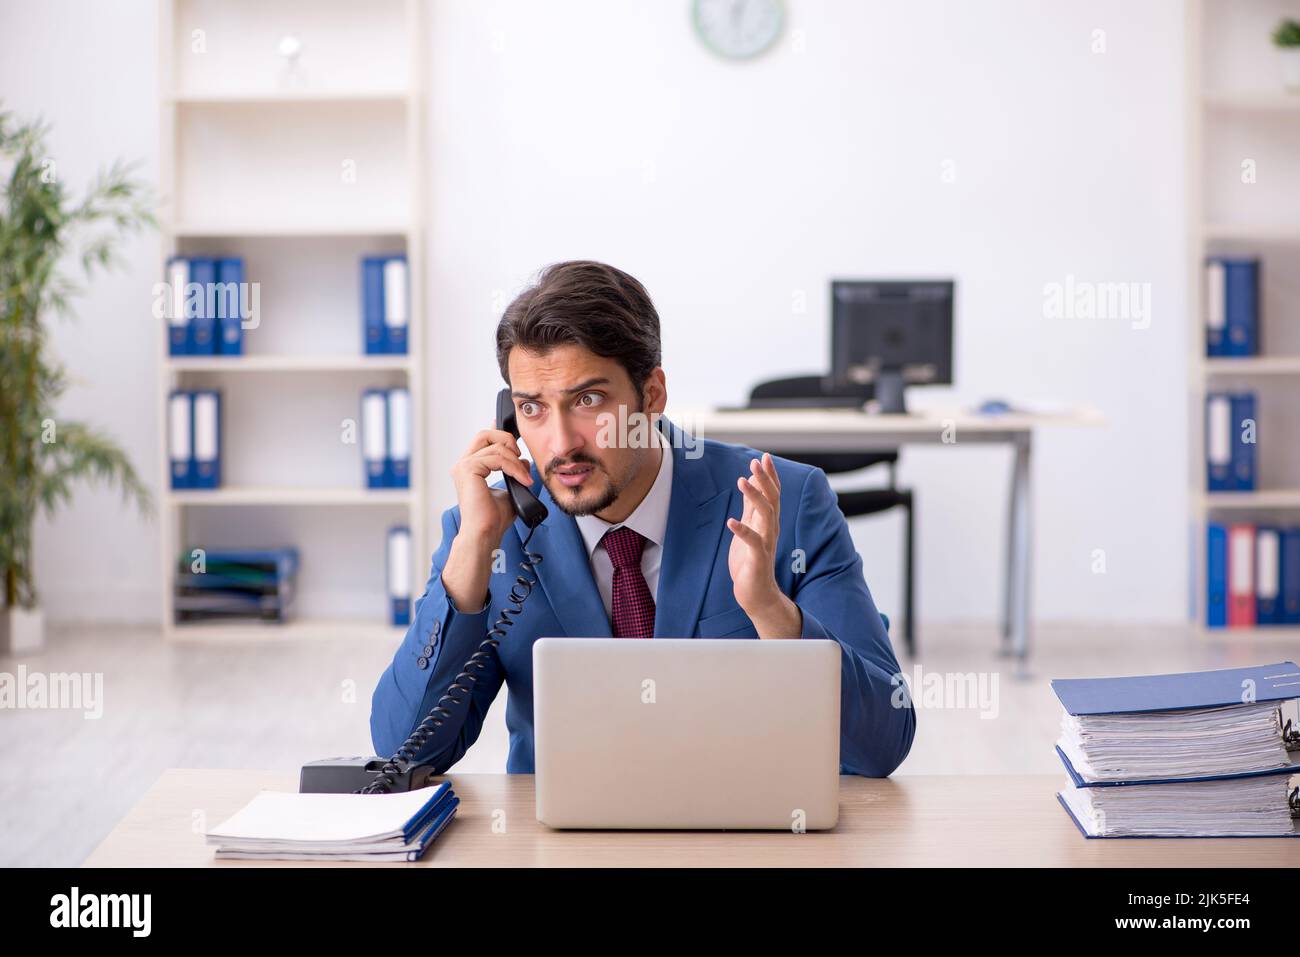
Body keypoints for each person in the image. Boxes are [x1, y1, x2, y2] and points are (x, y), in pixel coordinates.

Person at [370, 260, 915, 776]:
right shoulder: (488, 530)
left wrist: (772, 612)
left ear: (652, 394)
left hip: (744, 838)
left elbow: (882, 743)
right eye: (532, 407)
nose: (560, 444)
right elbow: (402, 753)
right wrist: (471, 559)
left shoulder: (784, 501)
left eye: (587, 400)